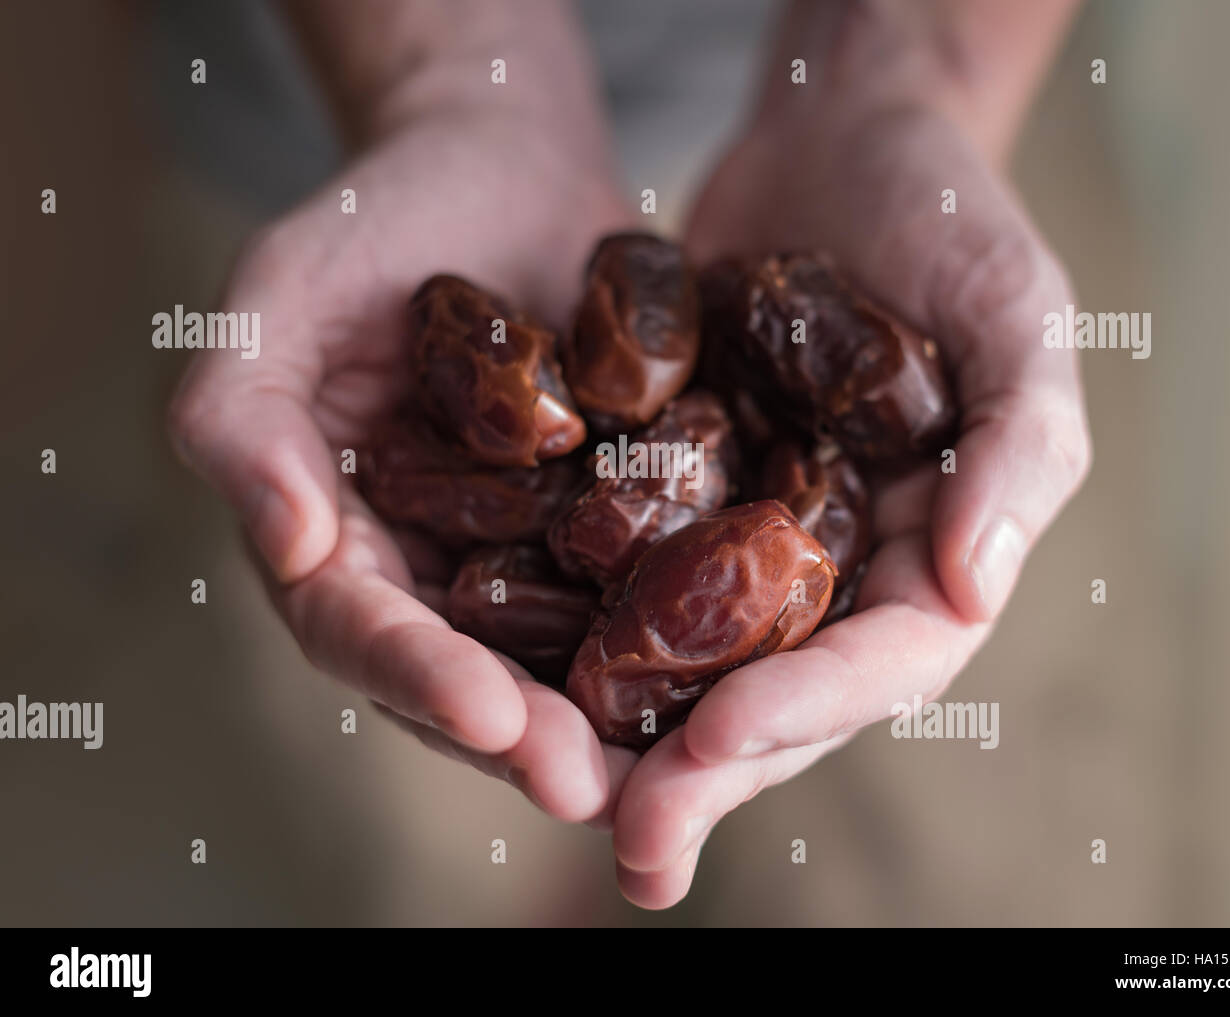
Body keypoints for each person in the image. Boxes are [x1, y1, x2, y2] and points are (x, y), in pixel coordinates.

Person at [167, 0, 1091, 910]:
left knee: (922, 837)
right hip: (335, 115)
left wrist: (917, 72)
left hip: (822, 105)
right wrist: (441, 72)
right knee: (432, 827)